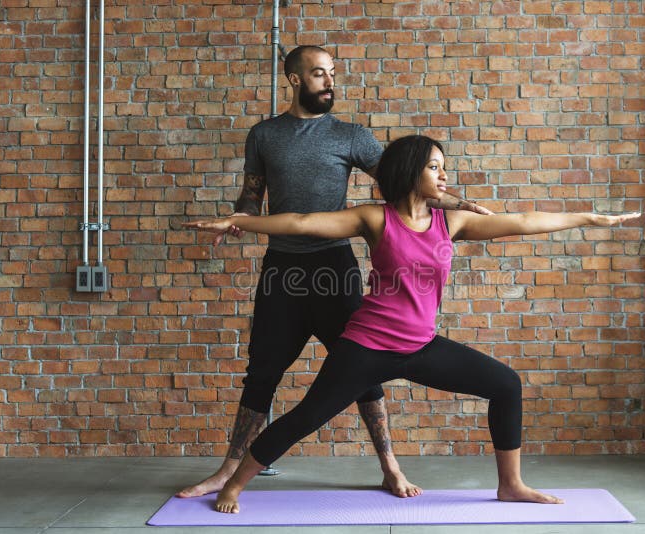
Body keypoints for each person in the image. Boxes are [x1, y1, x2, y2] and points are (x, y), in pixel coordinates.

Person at [183, 134, 641, 513]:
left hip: (420, 345)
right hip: (367, 346)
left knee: (505, 384)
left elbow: (520, 221)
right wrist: (242, 220)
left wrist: (587, 218)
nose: (444, 176)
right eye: (435, 168)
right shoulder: (375, 218)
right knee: (305, 417)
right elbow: (303, 222)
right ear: (410, 172)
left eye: (444, 168)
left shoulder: (453, 221)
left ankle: (511, 485)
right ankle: (234, 486)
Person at [177, 45, 489, 500]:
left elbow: (408, 185)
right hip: (282, 269)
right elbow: (251, 196)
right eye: (319, 74)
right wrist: (237, 220)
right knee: (262, 370)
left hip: (335, 267)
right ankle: (228, 470)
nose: (329, 82)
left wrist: (458, 203)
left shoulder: (350, 135)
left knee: (365, 368)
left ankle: (389, 466)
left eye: (332, 74)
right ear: (294, 80)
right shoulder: (264, 136)